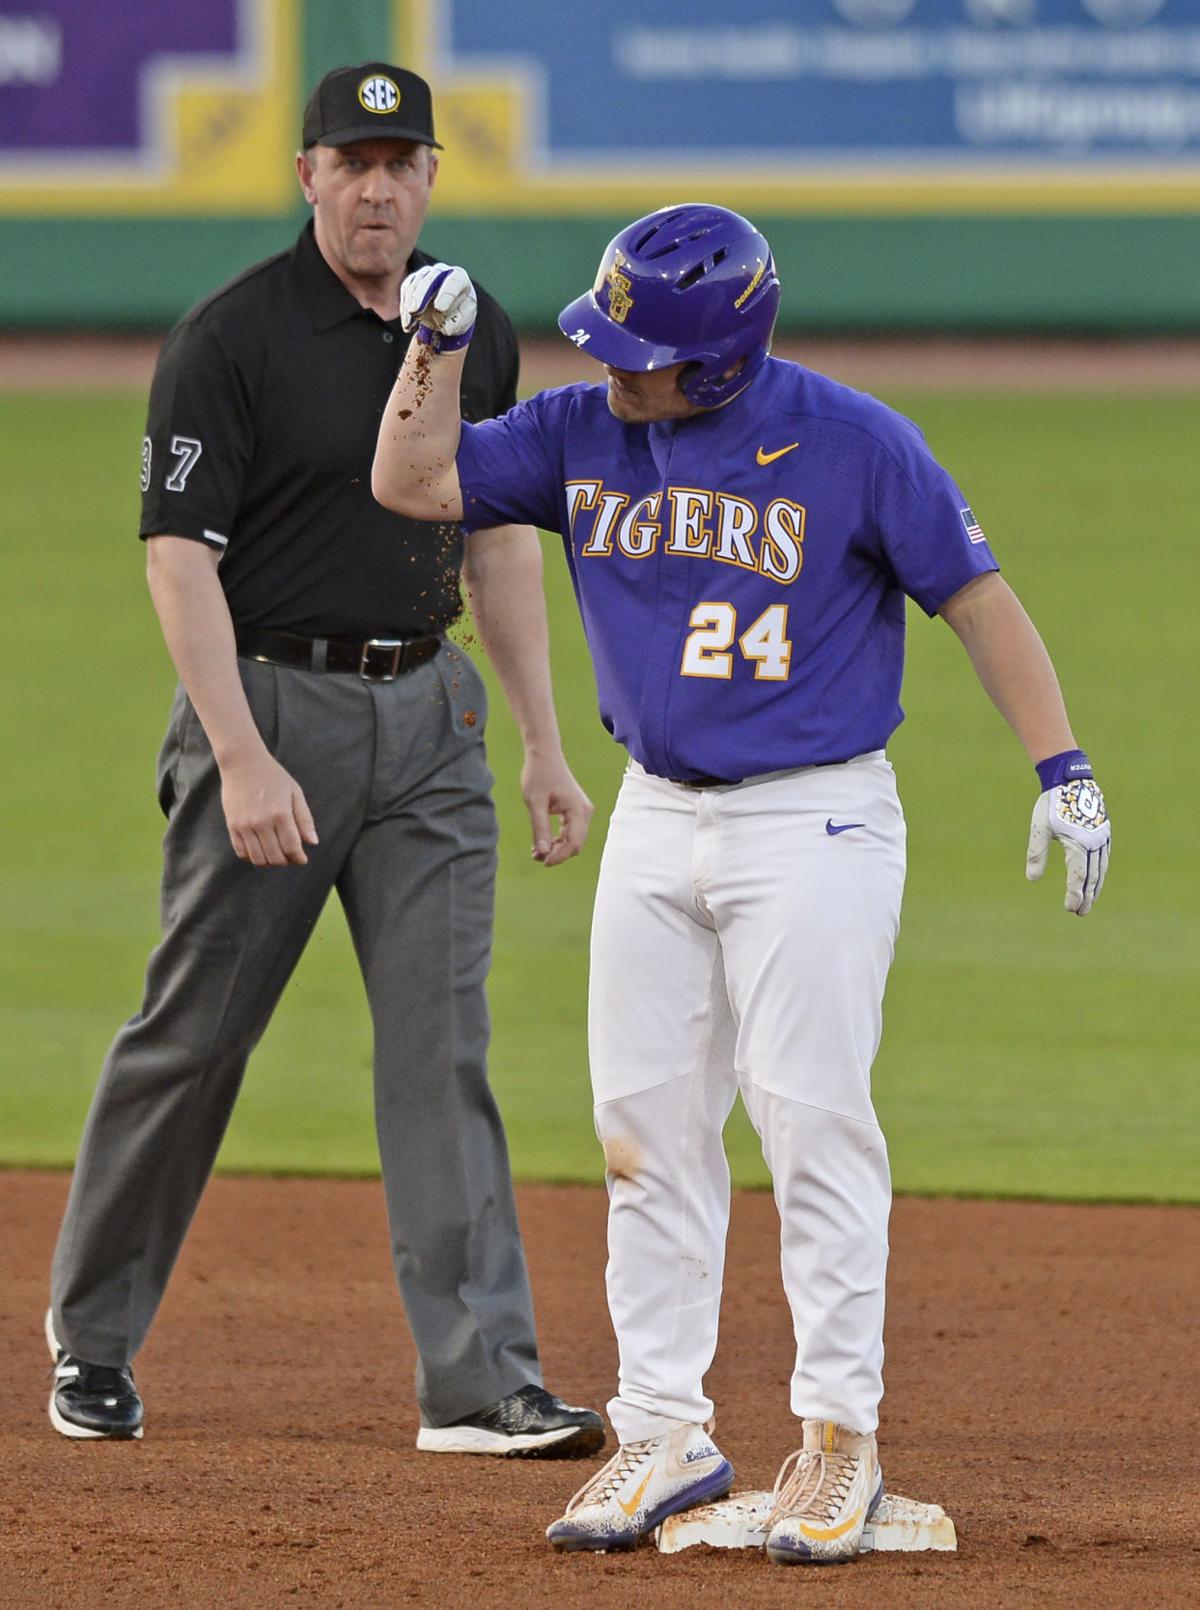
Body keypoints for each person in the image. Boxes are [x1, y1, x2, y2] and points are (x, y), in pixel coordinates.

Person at [370, 205, 1111, 1559]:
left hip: (813, 822)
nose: (612, 369)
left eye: (640, 350)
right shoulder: (582, 430)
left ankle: (840, 1437)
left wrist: (1061, 763)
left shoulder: (853, 441)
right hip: (656, 817)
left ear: (718, 357)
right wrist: (430, 345)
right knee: (642, 1133)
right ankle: (663, 1428)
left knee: (814, 1124)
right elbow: (414, 484)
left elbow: (976, 596)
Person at [45, 61, 606, 1463]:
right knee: (194, 1038)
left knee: (444, 1050)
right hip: (271, 714)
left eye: (400, 161)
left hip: (431, 725)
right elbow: (179, 560)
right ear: (305, 177)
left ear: (429, 178)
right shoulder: (229, 337)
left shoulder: (470, 328)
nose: (376, 187)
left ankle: (480, 1380)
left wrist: (541, 739)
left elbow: (495, 537)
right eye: (349, 161)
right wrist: (237, 755)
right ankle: (92, 1341)